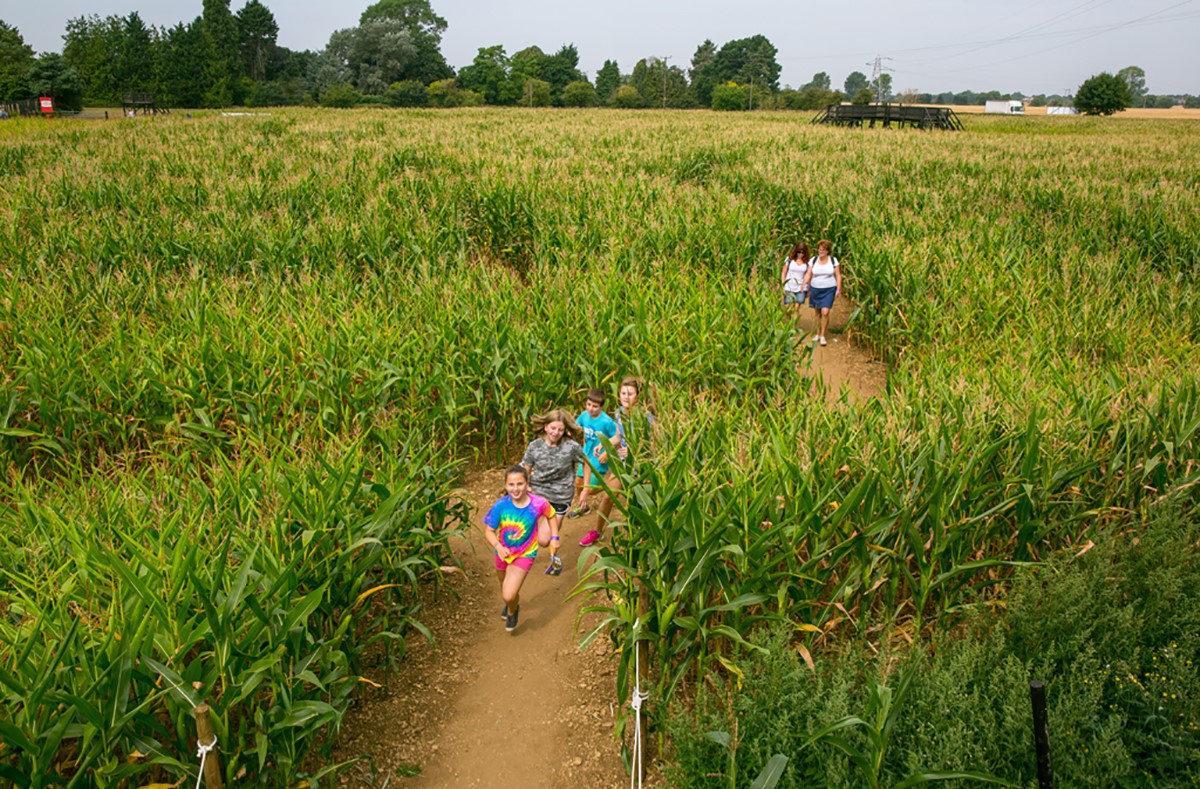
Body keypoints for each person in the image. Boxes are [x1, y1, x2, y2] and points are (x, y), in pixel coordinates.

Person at [483, 465, 553, 632]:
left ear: (527, 484)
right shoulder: (500, 505)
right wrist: (498, 546)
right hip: (502, 552)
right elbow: (489, 531)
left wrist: (555, 538)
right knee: (503, 584)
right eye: (511, 485)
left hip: (525, 553)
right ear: (506, 486)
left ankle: (512, 609)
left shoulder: (538, 503)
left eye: (520, 484)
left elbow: (551, 515)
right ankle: (511, 604)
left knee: (508, 594)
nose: (516, 489)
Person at [521, 408, 586, 575]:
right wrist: (525, 484)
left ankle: (554, 528)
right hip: (537, 493)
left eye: (560, 429)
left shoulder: (571, 447)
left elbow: (587, 464)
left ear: (565, 431)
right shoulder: (534, 446)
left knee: (543, 540)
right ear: (545, 427)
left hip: (560, 496)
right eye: (553, 428)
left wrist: (584, 490)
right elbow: (526, 467)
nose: (556, 432)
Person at [568, 388, 619, 547]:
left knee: (589, 489)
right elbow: (575, 428)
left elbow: (617, 439)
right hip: (586, 456)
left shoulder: (607, 422)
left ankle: (606, 488)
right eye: (589, 404)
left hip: (599, 459)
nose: (591, 408)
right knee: (578, 483)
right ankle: (585, 507)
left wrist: (607, 453)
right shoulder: (584, 416)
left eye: (595, 406)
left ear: (602, 407)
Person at [803, 239, 843, 346]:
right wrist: (804, 284)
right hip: (815, 288)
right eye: (819, 250)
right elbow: (808, 273)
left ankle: (823, 335)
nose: (820, 252)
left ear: (827, 251)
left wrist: (838, 289)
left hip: (829, 289)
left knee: (825, 312)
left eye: (823, 250)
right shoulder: (813, 260)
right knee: (817, 313)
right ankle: (817, 333)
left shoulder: (833, 261)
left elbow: (838, 275)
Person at [780, 242, 810, 324]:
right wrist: (783, 285)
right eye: (799, 252)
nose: (800, 254)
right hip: (789, 286)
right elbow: (783, 272)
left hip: (801, 288)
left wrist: (808, 288)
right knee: (788, 308)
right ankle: (789, 322)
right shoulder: (789, 260)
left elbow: (808, 275)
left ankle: (793, 326)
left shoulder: (807, 263)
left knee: (796, 308)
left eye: (802, 252)